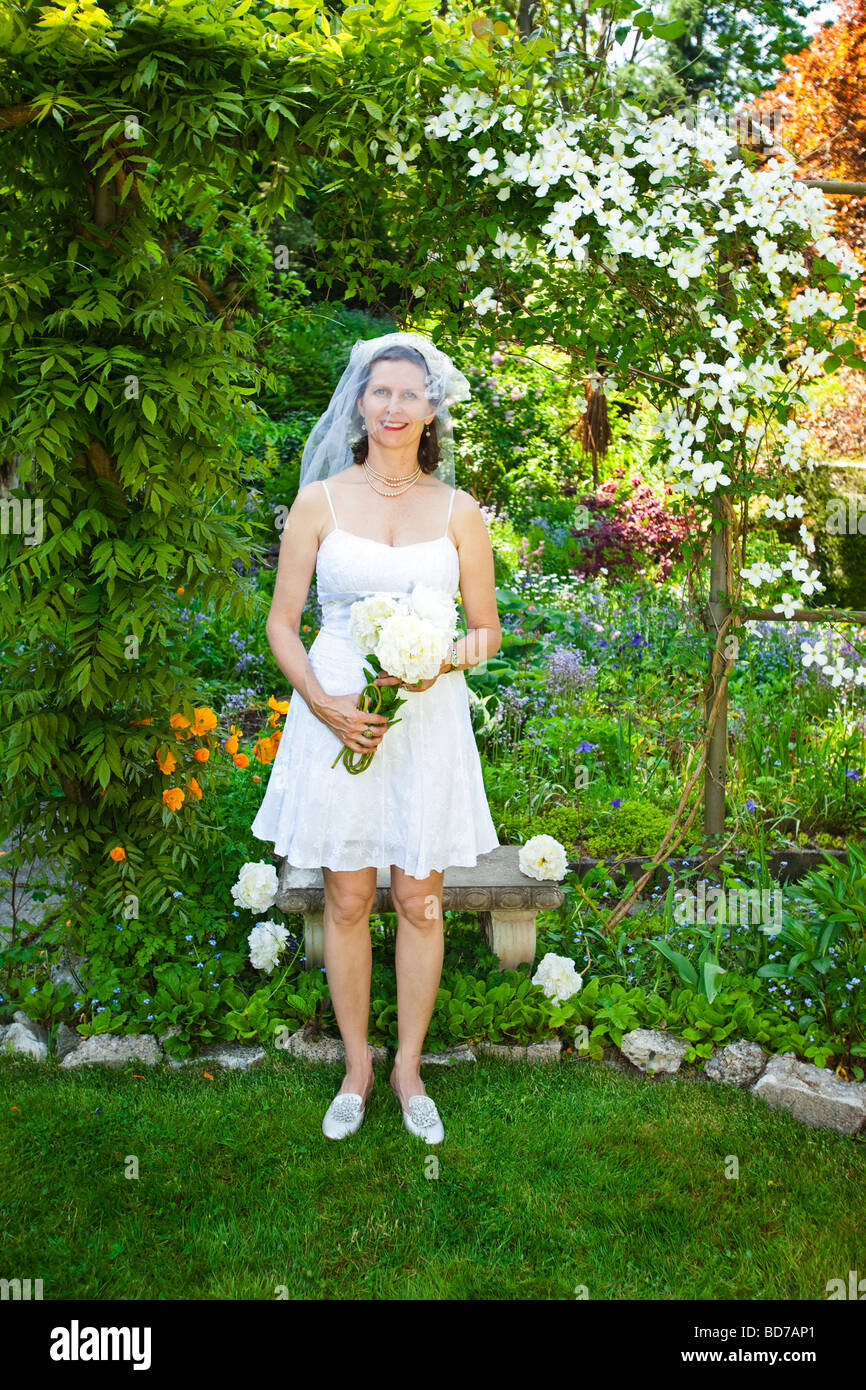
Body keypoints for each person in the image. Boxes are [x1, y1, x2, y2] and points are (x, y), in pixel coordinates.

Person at [251, 331, 501, 1145]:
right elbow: (282, 624)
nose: (394, 407)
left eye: (410, 395)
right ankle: (358, 1066)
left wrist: (456, 654)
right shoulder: (319, 502)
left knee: (420, 900)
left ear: (433, 411)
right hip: (337, 715)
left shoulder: (461, 513)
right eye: (380, 392)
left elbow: (488, 629)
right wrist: (322, 703)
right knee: (350, 897)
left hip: (426, 719)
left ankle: (409, 1069)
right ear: (360, 403)